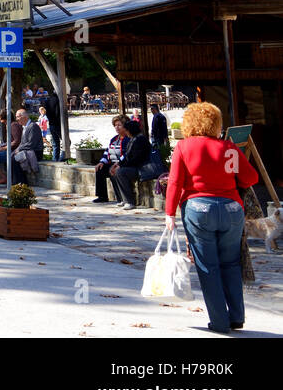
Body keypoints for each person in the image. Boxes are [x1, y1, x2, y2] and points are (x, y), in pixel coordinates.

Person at [165, 101, 259, 333]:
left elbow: (175, 182)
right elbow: (251, 178)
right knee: (231, 264)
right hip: (232, 210)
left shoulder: (184, 147)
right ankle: (237, 317)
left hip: (198, 209)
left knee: (208, 266)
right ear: (216, 123)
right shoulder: (228, 147)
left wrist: (169, 214)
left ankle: (219, 322)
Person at [111, 118, 151, 210]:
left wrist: (121, 166)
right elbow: (126, 156)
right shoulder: (133, 139)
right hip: (133, 166)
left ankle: (130, 201)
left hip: (141, 168)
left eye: (126, 130)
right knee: (113, 172)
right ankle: (122, 199)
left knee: (121, 172)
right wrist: (118, 164)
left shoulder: (140, 140)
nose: (126, 132)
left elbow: (136, 159)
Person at [91, 115, 130, 203]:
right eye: (115, 125)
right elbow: (107, 152)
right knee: (100, 169)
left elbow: (127, 154)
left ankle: (121, 197)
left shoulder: (128, 139)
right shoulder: (114, 139)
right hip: (112, 162)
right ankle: (102, 196)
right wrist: (102, 162)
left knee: (113, 170)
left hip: (121, 164)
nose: (117, 127)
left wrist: (118, 164)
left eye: (119, 125)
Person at [11, 107, 42, 186]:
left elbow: (31, 144)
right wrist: (17, 150)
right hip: (28, 150)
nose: (17, 119)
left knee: (15, 159)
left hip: (35, 152)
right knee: (11, 157)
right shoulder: (25, 127)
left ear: (24, 117)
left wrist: (19, 149)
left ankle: (21, 183)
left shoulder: (33, 126)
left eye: (18, 117)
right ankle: (16, 182)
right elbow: (23, 143)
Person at [42, 86, 63, 161]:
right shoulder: (58, 100)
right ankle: (62, 159)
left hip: (51, 124)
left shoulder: (48, 100)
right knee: (66, 142)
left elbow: (46, 112)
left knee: (55, 144)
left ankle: (55, 160)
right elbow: (58, 113)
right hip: (58, 124)